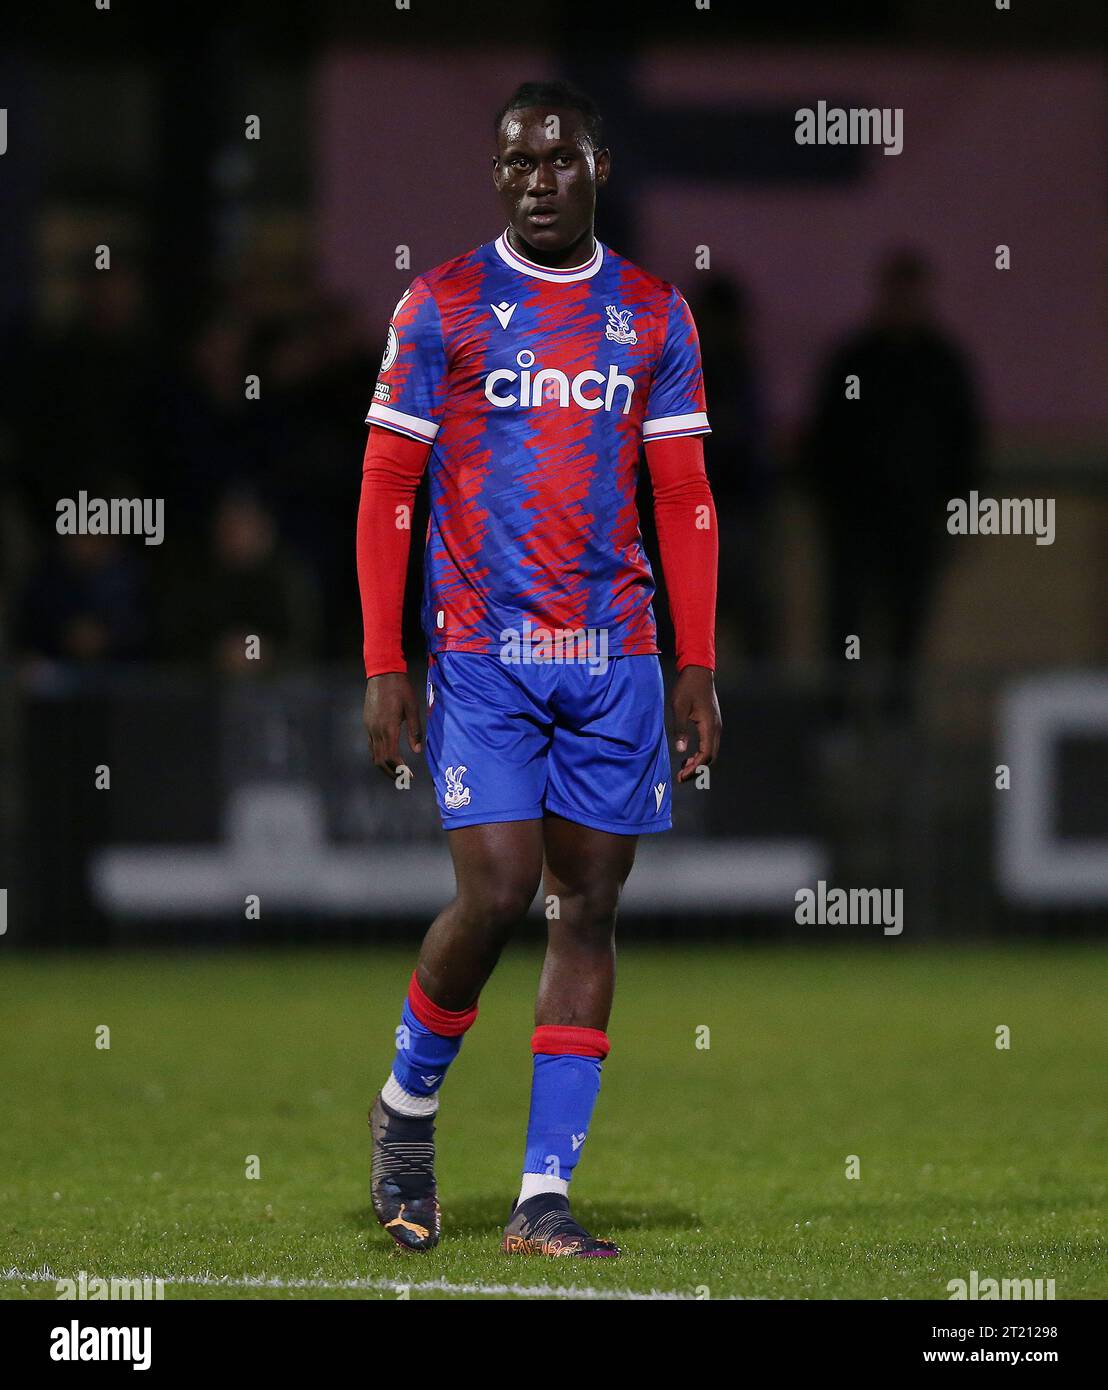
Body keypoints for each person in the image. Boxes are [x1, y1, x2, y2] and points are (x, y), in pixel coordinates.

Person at [356, 80, 721, 1258]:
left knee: (589, 907)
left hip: (613, 653)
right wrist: (383, 658)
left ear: (597, 167)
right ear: (496, 174)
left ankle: (539, 1198)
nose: (535, 180)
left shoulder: (653, 315)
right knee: (500, 889)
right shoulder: (442, 307)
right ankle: (408, 1110)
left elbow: (683, 495)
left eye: (557, 160)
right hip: (482, 652)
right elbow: (386, 490)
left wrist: (696, 661)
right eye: (515, 163)